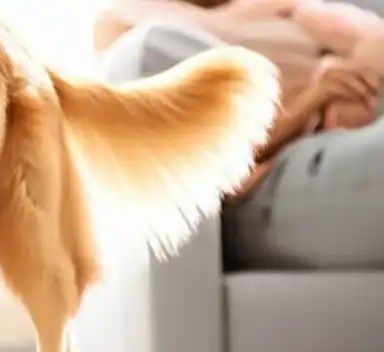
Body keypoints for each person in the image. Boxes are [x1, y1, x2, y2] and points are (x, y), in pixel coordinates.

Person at [95, 0, 384, 268]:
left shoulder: (293, 9)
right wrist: (315, 98)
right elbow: (207, 150)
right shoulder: (136, 25)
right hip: (282, 160)